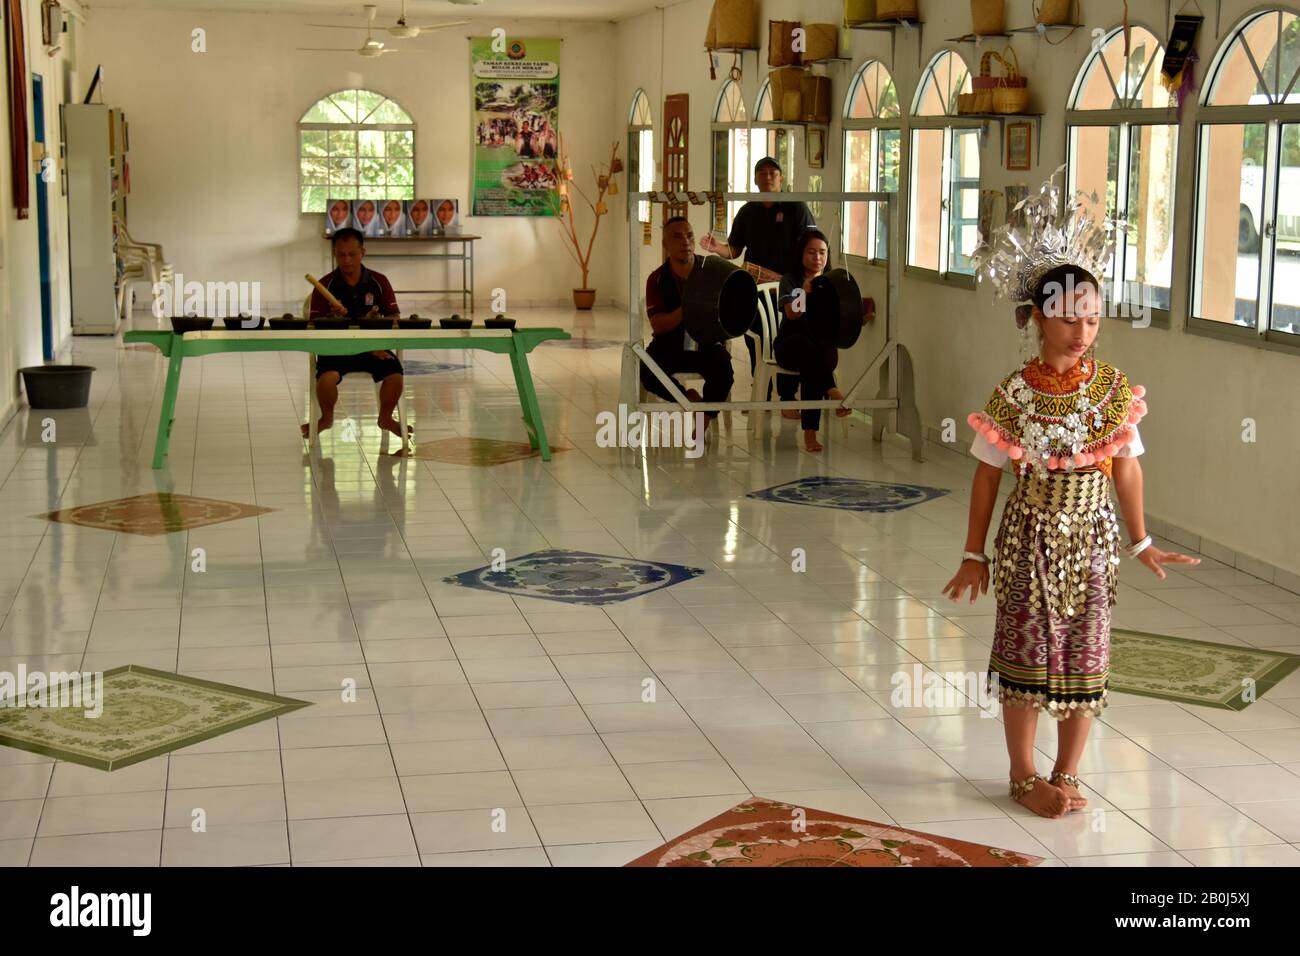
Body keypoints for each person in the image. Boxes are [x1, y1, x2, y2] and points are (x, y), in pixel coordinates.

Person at [943, 175, 1199, 820]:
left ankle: (1067, 770)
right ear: (1036, 317)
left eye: (1092, 317)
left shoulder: (1113, 390)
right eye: (1068, 317)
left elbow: (1128, 468)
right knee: (1026, 650)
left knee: (1087, 652)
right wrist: (974, 553)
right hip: (1027, 541)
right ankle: (1024, 774)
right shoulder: (1015, 394)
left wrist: (1140, 540)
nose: (1082, 330)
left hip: (1092, 545)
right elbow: (987, 475)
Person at [700, 156, 815, 375]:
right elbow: (734, 250)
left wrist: (804, 282)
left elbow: (811, 246)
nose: (768, 177)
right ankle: (760, 383)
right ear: (755, 180)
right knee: (754, 331)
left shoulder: (796, 207)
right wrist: (717, 248)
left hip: (790, 287)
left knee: (793, 331)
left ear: (781, 179)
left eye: (773, 173)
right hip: (755, 287)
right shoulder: (747, 211)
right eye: (763, 174)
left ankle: (789, 392)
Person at [303, 228, 410, 449]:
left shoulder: (379, 282)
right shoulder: (325, 286)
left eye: (352, 254)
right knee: (326, 379)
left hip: (373, 348)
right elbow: (313, 326)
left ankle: (386, 417)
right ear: (335, 254)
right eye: (341, 254)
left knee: (394, 375)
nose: (346, 260)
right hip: (336, 349)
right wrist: (331, 317)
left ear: (363, 252)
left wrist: (375, 340)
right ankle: (327, 417)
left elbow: (394, 317)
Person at [641, 216, 735, 441]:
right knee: (646, 370)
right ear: (665, 245)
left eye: (690, 236)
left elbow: (728, 312)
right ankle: (689, 399)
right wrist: (686, 307)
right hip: (670, 344)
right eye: (677, 237)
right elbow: (658, 324)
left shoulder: (710, 270)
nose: (685, 242)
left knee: (724, 370)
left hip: (705, 342)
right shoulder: (657, 279)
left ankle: (704, 417)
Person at [772, 229, 856, 453]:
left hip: (817, 349)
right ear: (801, 254)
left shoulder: (831, 282)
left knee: (816, 356)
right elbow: (791, 314)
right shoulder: (790, 280)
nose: (817, 258)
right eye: (811, 252)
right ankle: (831, 390)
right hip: (790, 344)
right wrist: (805, 293)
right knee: (809, 349)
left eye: (822, 252)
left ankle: (811, 432)